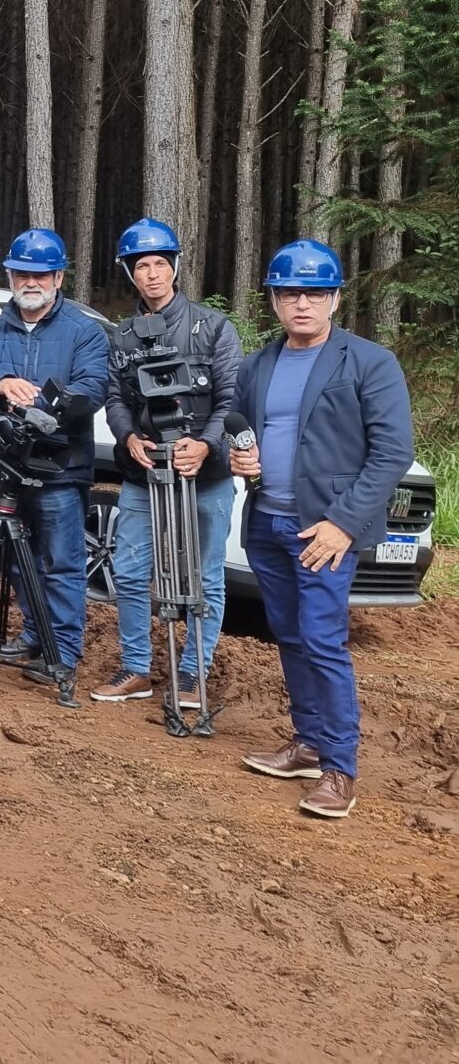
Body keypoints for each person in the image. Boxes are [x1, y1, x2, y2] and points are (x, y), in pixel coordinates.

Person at [230, 240, 414, 820]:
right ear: (274, 300)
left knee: (322, 641)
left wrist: (342, 523)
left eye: (314, 293)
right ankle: (308, 744)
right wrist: (241, 458)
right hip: (267, 522)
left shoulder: (368, 362)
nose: (302, 303)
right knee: (288, 635)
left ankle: (339, 769)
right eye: (290, 293)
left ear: (335, 298)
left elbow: (392, 452)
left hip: (324, 532)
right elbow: (242, 430)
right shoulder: (258, 364)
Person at [93, 218, 242, 705]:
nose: (152, 274)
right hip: (144, 471)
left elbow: (232, 398)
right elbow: (115, 397)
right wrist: (127, 436)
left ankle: (194, 674)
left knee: (206, 575)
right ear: (129, 273)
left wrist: (207, 444)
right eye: (142, 266)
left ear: (175, 266)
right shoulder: (123, 336)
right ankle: (136, 668)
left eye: (160, 263)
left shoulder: (213, 327)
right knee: (130, 570)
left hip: (206, 474)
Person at [0, 228, 109, 681]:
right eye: (22, 273)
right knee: (19, 559)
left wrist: (37, 403)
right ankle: (35, 633)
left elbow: (93, 389)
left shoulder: (84, 330)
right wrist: (1, 382)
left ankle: (63, 652)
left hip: (61, 467)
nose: (30, 281)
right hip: (8, 465)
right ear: (9, 276)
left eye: (41, 274)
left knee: (62, 563)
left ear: (58, 278)